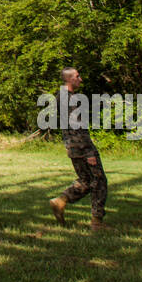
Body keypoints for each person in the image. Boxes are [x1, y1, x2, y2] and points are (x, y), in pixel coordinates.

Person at [48, 67, 108, 231]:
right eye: (77, 76)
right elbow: (78, 127)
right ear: (69, 79)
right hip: (82, 147)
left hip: (72, 146)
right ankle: (97, 222)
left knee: (86, 180)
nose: (80, 79)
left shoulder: (61, 96)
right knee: (99, 181)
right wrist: (89, 152)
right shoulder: (71, 100)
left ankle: (61, 201)